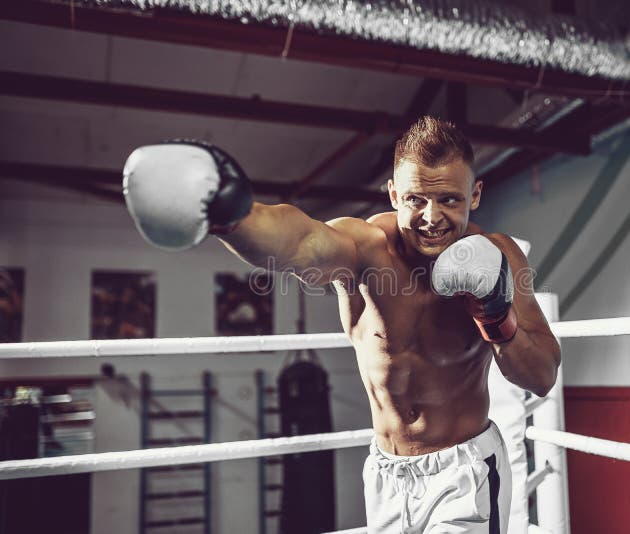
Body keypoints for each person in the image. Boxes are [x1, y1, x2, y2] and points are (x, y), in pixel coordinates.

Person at [123, 116, 561, 533]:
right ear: (393, 195)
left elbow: (541, 376)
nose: (431, 217)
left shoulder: (498, 255)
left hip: (466, 475)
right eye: (415, 200)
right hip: (387, 475)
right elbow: (300, 241)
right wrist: (234, 217)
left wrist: (495, 315)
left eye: (449, 199)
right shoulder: (368, 248)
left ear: (476, 194)